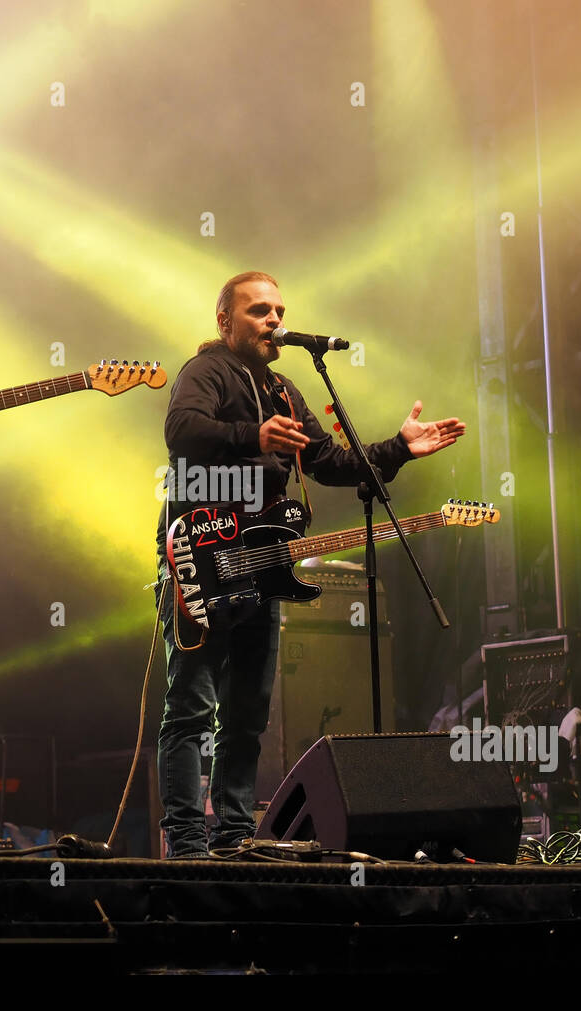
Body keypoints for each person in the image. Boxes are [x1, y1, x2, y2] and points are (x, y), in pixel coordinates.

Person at [155, 271, 466, 857]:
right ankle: (188, 844)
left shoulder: (285, 389)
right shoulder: (207, 371)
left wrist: (399, 447)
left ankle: (233, 837)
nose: (274, 320)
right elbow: (181, 429)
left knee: (246, 713)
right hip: (201, 560)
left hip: (260, 564)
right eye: (258, 311)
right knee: (193, 708)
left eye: (279, 310)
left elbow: (327, 461)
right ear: (226, 320)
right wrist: (254, 435)